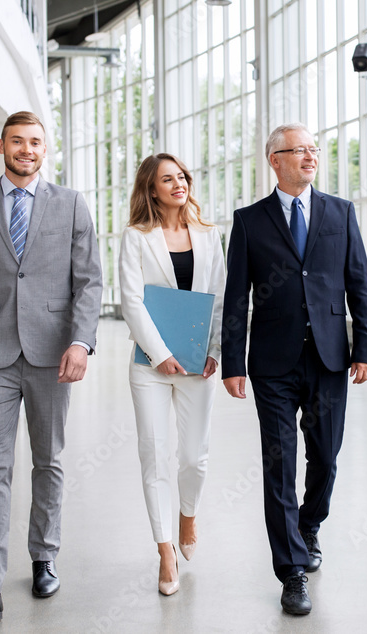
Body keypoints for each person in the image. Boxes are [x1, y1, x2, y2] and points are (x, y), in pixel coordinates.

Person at [0, 111, 103, 622]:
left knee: (48, 461)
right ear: (2, 146)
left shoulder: (72, 204)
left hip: (53, 354)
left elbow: (89, 282)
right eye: (18, 141)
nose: (27, 149)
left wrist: (81, 343)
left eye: (35, 142)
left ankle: (44, 556)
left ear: (44, 149)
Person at [221, 123, 367, 615]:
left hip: (330, 357)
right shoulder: (249, 221)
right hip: (271, 363)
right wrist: (232, 362)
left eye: (314, 149)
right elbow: (234, 299)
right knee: (279, 464)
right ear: (275, 159)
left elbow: (360, 283)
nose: (310, 156)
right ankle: (290, 571)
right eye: (299, 150)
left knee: (326, 458)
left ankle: (309, 523)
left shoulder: (340, 211)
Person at [119, 153, 225, 596]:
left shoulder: (208, 233)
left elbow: (219, 296)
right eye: (167, 179)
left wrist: (215, 349)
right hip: (151, 365)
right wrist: (159, 354)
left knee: (194, 458)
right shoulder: (136, 236)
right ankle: (165, 550)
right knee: (154, 455)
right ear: (152, 188)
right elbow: (131, 300)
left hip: (198, 364)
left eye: (182, 175)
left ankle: (188, 514)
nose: (178, 183)